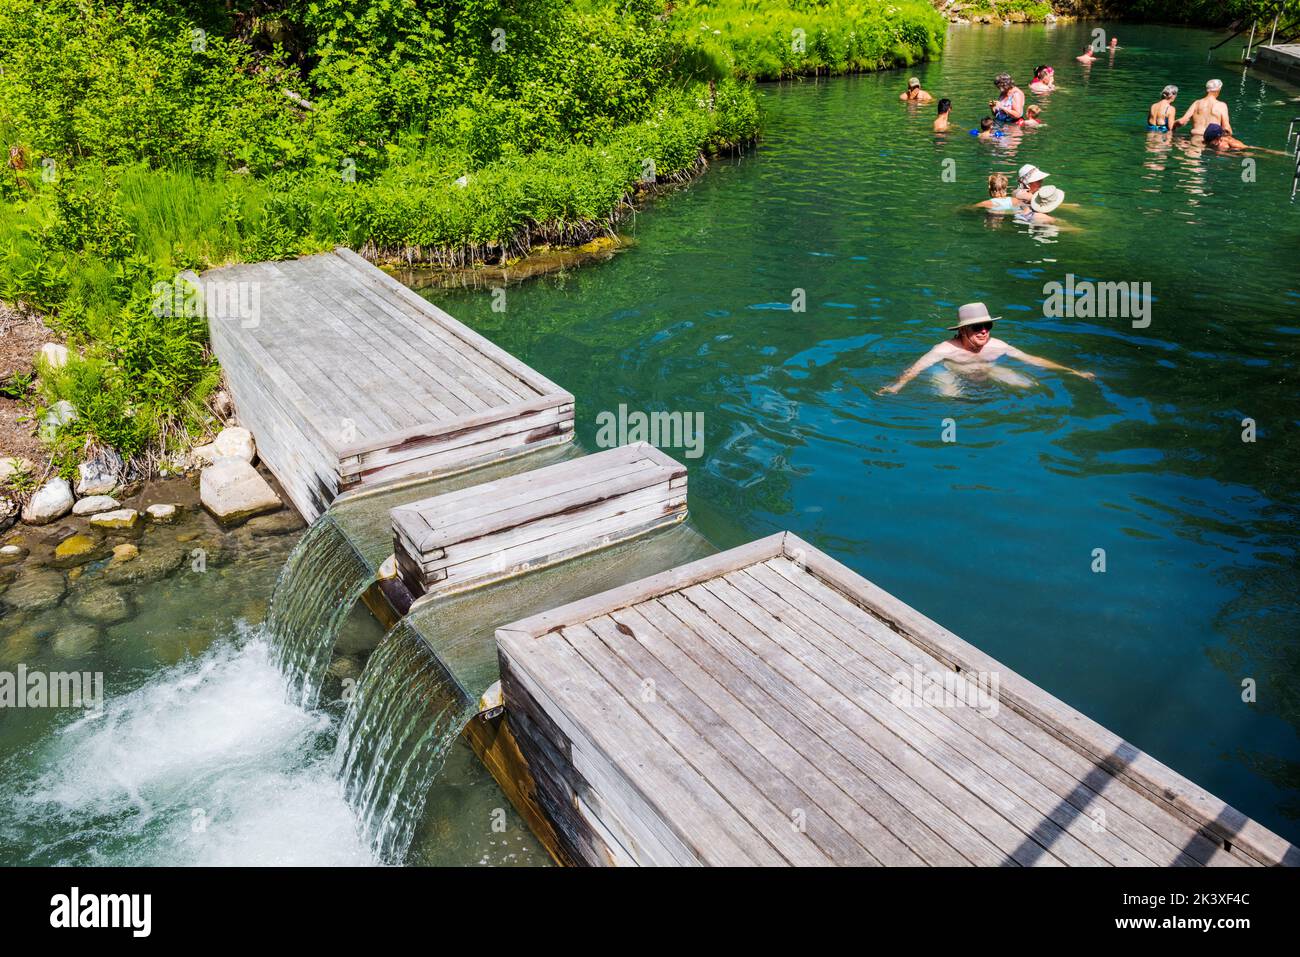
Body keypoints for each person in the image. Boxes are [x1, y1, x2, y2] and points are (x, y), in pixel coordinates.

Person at [876, 303, 1095, 396]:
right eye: (976, 327)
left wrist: (1072, 372)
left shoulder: (998, 346)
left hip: (987, 371)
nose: (983, 331)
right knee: (951, 398)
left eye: (987, 326)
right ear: (962, 331)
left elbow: (1034, 360)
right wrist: (897, 386)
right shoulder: (944, 350)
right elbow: (915, 369)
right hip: (950, 372)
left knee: (1029, 386)